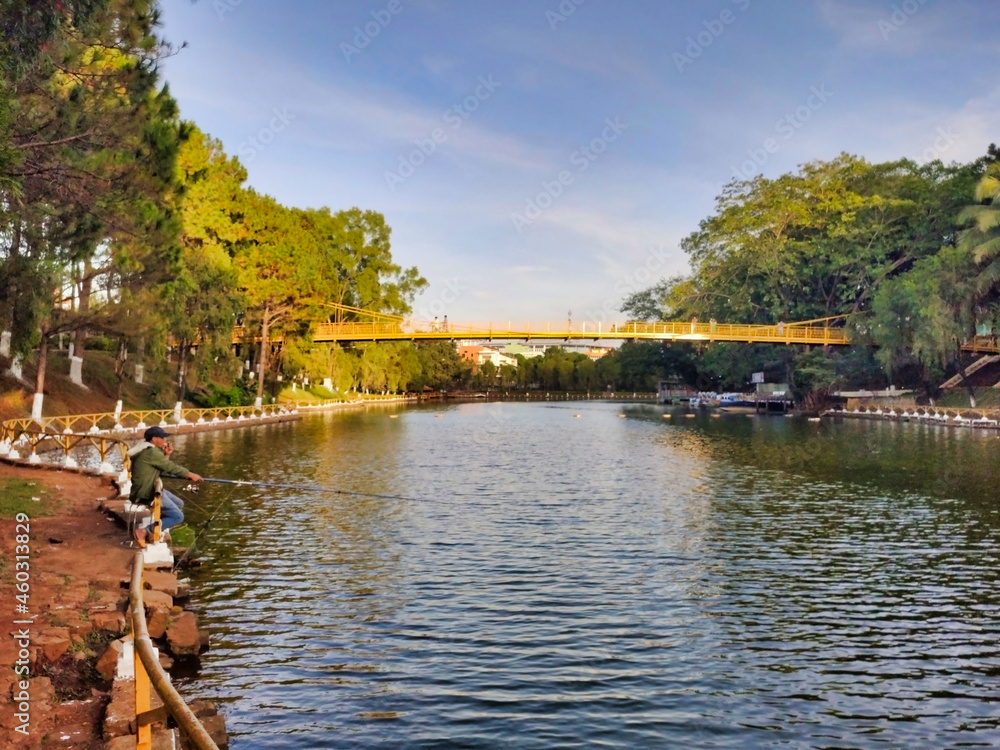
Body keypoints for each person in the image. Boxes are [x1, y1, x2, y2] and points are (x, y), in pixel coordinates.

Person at [128, 426, 202, 548]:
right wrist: (191, 475)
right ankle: (144, 531)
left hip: (150, 488)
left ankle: (156, 527)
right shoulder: (151, 452)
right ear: (154, 439)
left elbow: (161, 468)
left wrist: (166, 454)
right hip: (146, 492)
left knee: (179, 504)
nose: (164, 440)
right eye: (162, 437)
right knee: (178, 517)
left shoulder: (146, 450)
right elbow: (171, 468)